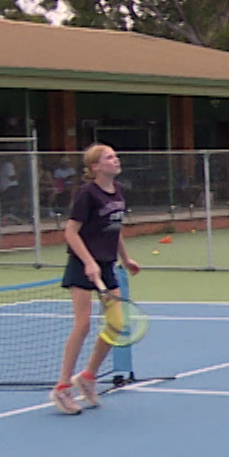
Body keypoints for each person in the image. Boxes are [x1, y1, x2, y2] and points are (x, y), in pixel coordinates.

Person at [51, 143, 141, 415]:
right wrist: (88, 262)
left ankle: (88, 377)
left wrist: (125, 258)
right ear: (95, 167)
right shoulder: (87, 194)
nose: (116, 160)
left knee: (116, 323)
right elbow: (70, 232)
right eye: (109, 157)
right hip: (82, 264)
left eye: (115, 156)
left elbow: (115, 228)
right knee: (83, 325)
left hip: (106, 265)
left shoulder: (118, 191)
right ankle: (62, 387)